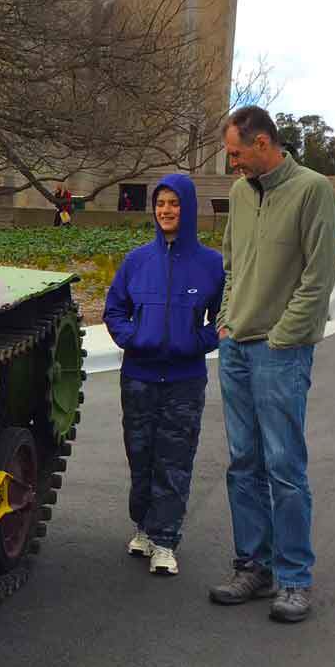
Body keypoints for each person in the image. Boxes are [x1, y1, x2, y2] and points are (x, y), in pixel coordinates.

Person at [209, 107, 335, 623]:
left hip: (280, 352)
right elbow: (231, 264)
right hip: (237, 347)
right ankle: (254, 566)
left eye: (236, 153)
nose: (232, 162)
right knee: (243, 463)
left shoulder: (312, 190)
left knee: (284, 466)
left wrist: (282, 338)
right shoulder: (241, 194)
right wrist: (225, 320)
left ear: (264, 143)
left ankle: (294, 579)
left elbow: (318, 278)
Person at [103, 173, 224, 576]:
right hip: (138, 376)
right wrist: (132, 337)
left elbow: (223, 317)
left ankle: (166, 541)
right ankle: (143, 526)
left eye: (174, 203)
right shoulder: (137, 260)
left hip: (183, 380)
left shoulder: (209, 264)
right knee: (141, 455)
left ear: (187, 208)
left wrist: (199, 341)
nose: (166, 211)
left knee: (174, 460)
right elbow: (114, 308)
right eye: (160, 204)